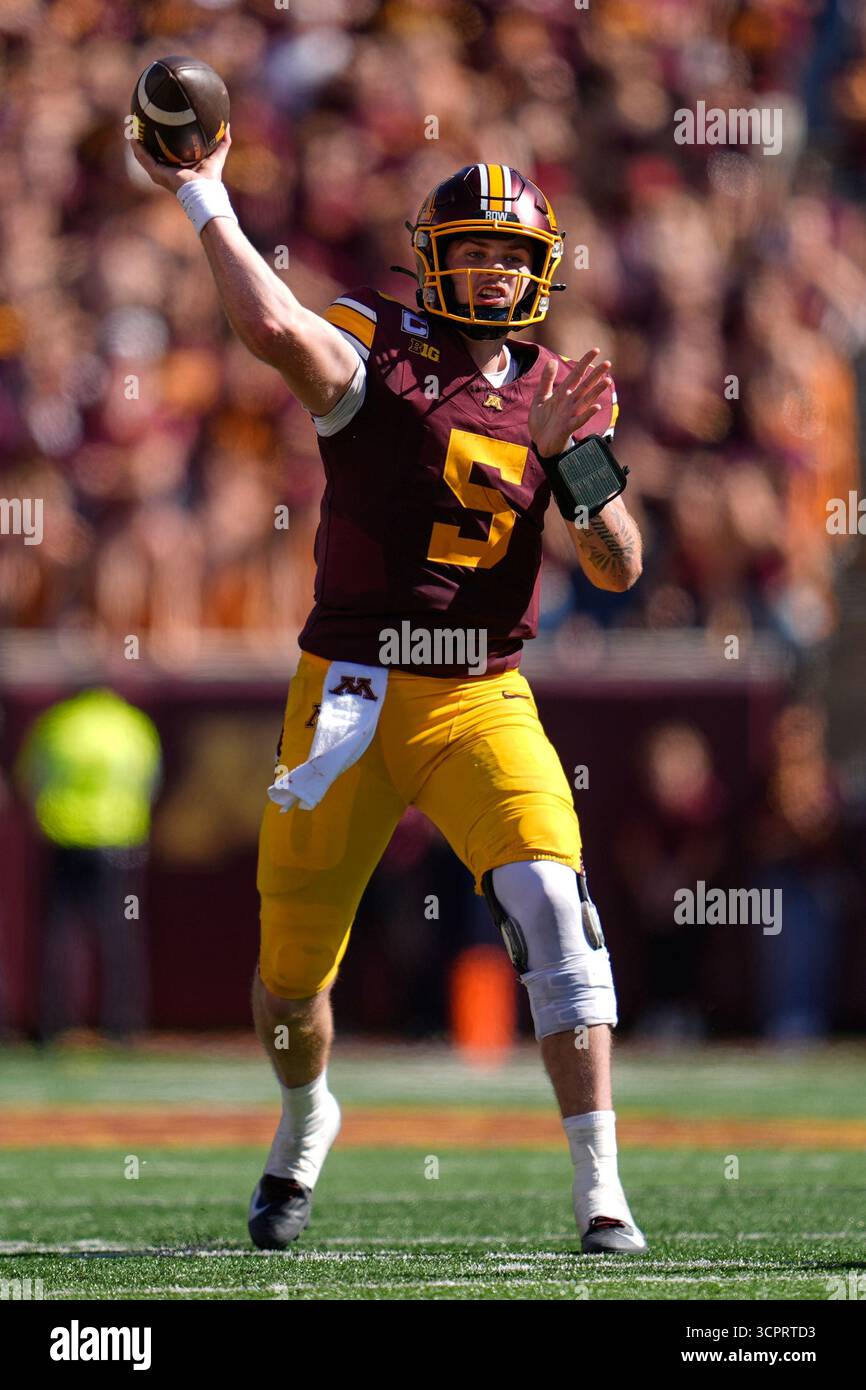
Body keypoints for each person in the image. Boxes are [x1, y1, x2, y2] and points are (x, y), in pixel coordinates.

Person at [132, 128, 646, 1253]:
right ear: (433, 258)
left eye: (512, 254)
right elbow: (277, 329)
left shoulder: (562, 390)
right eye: (473, 251)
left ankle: (601, 1190)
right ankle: (306, 1111)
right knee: (289, 979)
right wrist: (205, 194)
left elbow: (618, 566)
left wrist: (574, 463)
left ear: (543, 268)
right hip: (347, 696)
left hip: (479, 693)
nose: (494, 272)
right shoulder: (378, 338)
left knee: (554, 908)